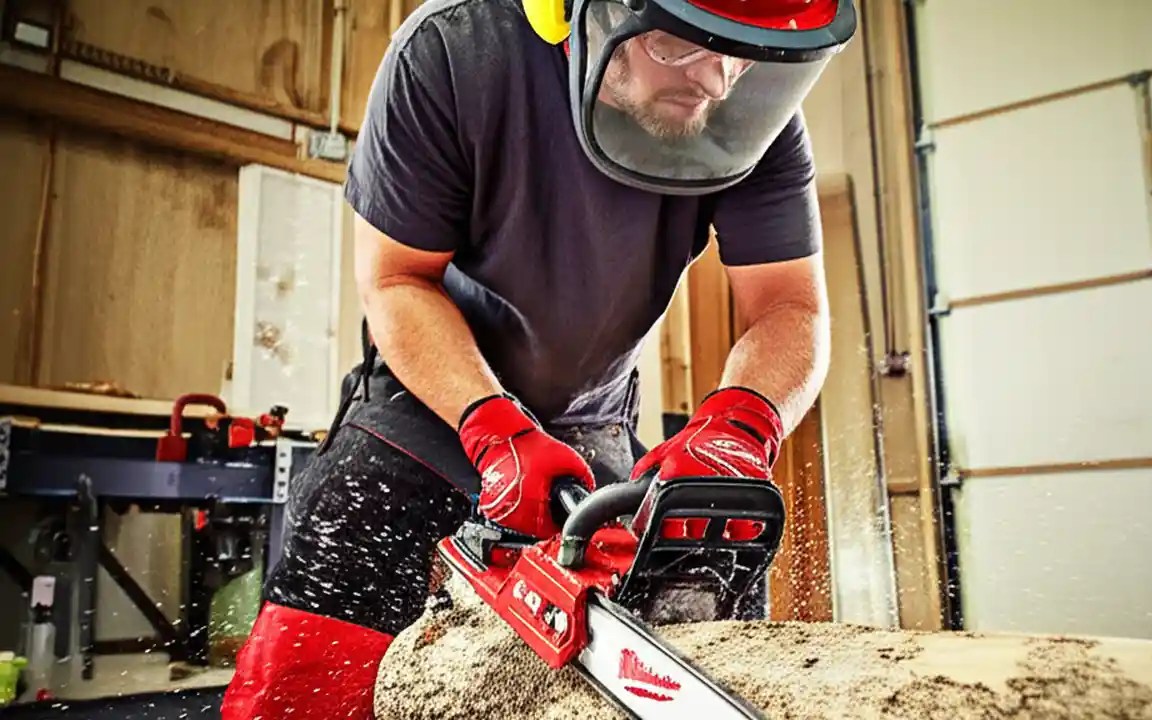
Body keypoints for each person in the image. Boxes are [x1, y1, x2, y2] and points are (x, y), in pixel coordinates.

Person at [221, 0, 856, 716]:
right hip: (427, 409)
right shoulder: (454, 52)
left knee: (696, 622)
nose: (716, 80)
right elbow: (397, 279)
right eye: (684, 48)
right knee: (315, 653)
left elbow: (787, 308)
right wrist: (494, 429)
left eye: (740, 55)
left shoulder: (749, 105)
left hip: (594, 427)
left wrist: (740, 428)